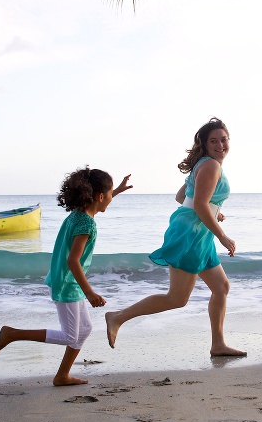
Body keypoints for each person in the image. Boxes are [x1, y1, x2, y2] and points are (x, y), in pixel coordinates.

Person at [105, 117, 246, 357]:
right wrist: (222, 235)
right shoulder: (211, 166)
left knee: (221, 287)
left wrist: (214, 211)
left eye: (224, 139)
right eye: (214, 141)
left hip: (196, 231)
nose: (220, 145)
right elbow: (198, 204)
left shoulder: (203, 165)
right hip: (191, 234)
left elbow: (183, 198)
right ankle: (118, 317)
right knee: (177, 298)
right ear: (204, 143)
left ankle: (218, 344)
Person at [0, 167, 132, 386]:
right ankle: (12, 334)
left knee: (84, 330)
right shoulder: (86, 224)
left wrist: (117, 191)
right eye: (110, 194)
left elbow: (95, 201)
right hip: (68, 284)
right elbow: (73, 261)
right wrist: (90, 293)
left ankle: (62, 375)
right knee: (69, 336)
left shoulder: (79, 213)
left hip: (66, 281)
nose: (111, 198)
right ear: (100, 196)